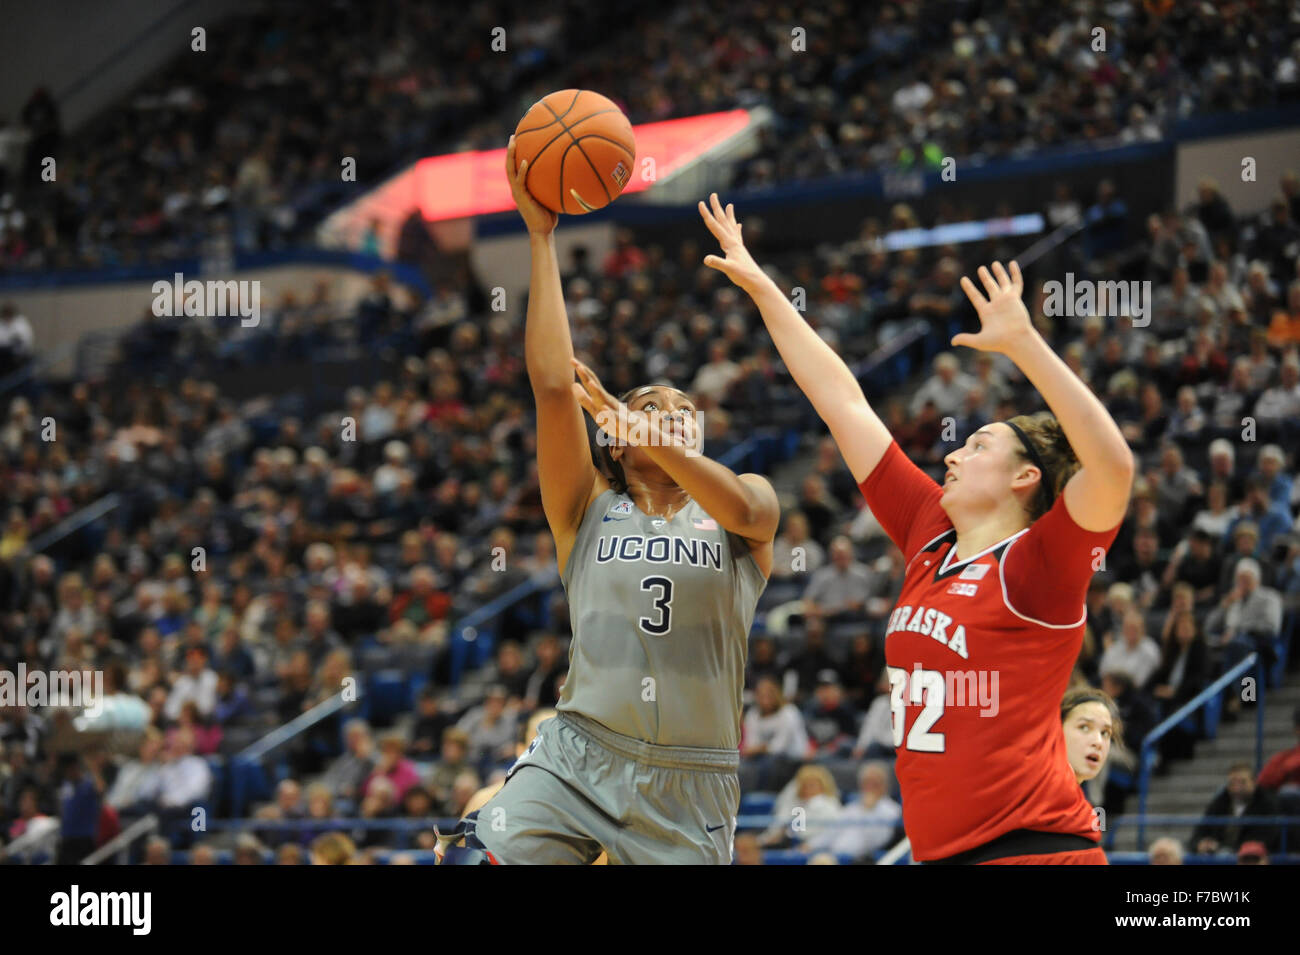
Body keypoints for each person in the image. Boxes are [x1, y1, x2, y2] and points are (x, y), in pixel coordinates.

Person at [700, 192, 1134, 864]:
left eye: (981, 445)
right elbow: (843, 401)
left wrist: (1024, 344)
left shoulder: (1037, 565)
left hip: (1034, 852)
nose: (954, 454)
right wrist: (763, 288)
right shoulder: (930, 530)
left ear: (1026, 479)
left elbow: (1112, 468)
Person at [442, 147, 778, 866]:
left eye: (685, 410)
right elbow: (555, 388)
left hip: (694, 778)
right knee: (471, 853)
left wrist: (648, 426)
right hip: (579, 751)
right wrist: (540, 237)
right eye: (650, 408)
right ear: (617, 444)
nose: (670, 414)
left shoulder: (740, 509)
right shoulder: (585, 506)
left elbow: (751, 509)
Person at [1061, 688, 1119, 791]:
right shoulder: (1030, 788)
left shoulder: (1080, 805)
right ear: (1057, 729)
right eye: (1084, 727)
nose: (1098, 742)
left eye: (1105, 733)